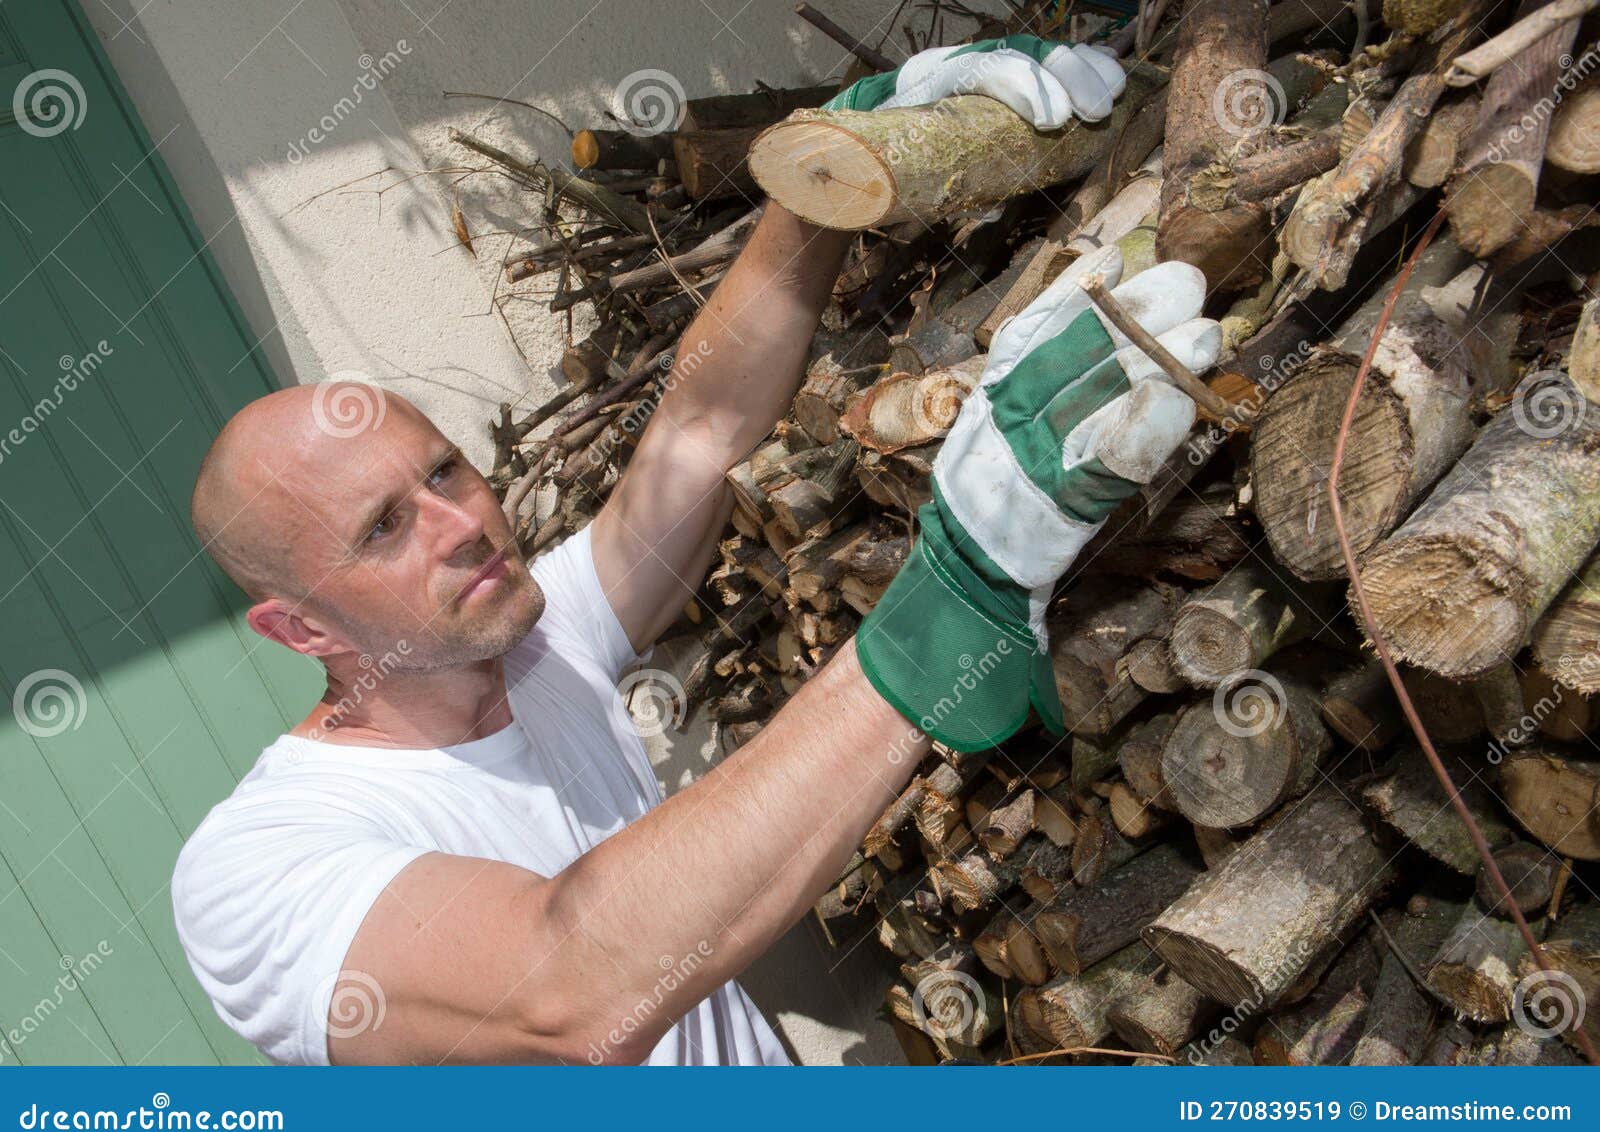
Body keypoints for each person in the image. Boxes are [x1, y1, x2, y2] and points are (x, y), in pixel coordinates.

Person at [172, 37, 1221, 1065]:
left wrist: (827, 171)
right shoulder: (260, 865)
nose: (461, 522)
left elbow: (697, 432)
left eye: (444, 471)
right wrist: (954, 595)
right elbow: (565, 993)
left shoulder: (531, 650)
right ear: (297, 625)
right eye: (383, 529)